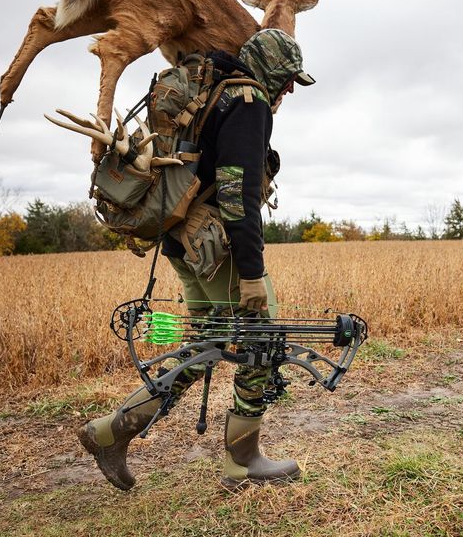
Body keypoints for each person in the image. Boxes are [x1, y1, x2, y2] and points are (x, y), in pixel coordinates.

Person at [77, 29, 315, 490]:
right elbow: (237, 193)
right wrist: (251, 273)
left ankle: (111, 432)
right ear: (270, 70)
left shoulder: (208, 91)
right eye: (286, 79)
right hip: (216, 248)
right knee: (262, 340)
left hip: (181, 242)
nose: (287, 90)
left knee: (207, 344)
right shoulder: (248, 102)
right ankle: (243, 460)